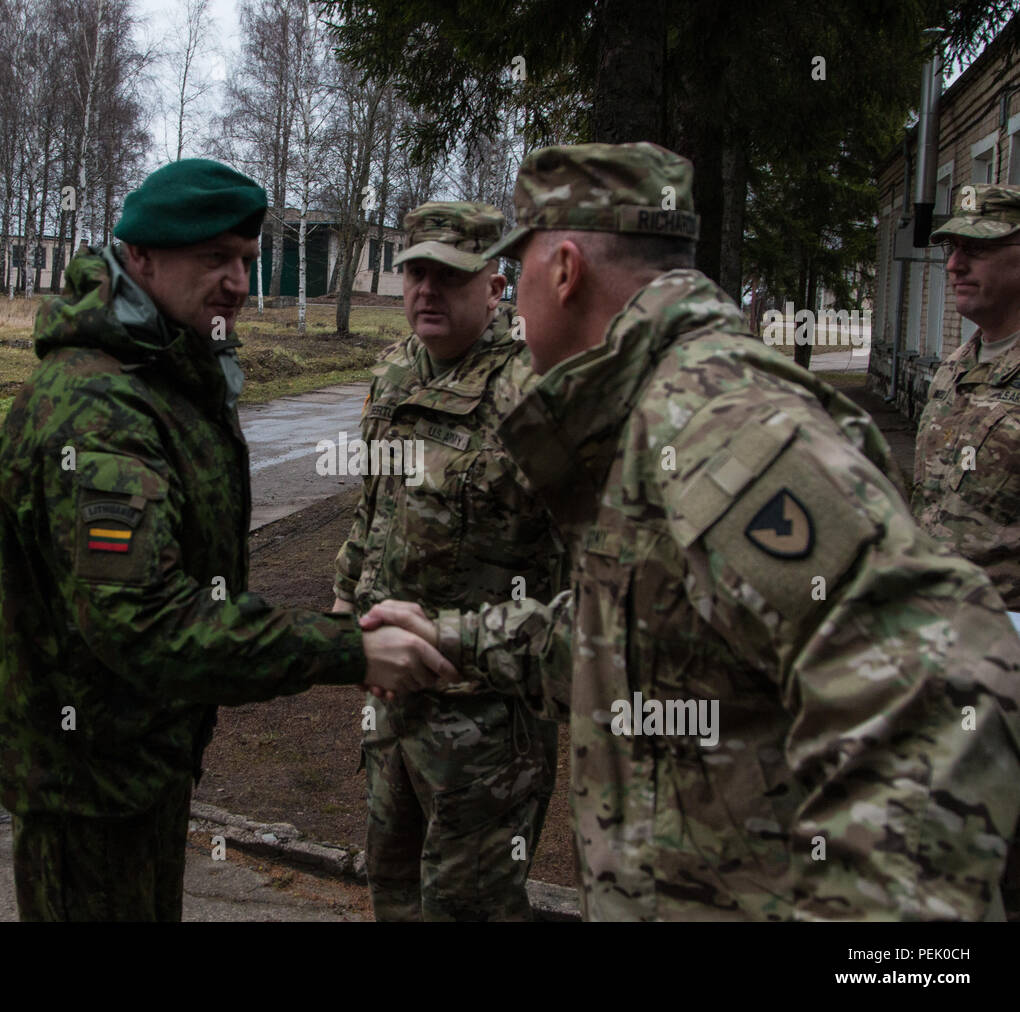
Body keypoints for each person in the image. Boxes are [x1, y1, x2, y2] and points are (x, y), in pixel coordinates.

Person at [363, 143, 1020, 921]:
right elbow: (639, 633)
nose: (517, 301)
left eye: (520, 266)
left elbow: (942, 684)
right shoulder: (652, 410)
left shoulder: (716, 420)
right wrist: (453, 638)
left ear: (564, 270)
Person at [0, 159, 453, 922]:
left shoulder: (167, 365)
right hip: (86, 783)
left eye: (246, 258)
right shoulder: (99, 408)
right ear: (141, 257)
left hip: (143, 755)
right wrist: (348, 650)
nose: (237, 280)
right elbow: (146, 626)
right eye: (213, 258)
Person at [331, 201, 565, 921]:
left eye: (450, 276)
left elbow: (586, 552)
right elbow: (375, 504)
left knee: (470, 908)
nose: (426, 291)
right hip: (391, 702)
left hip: (485, 719)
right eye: (415, 274)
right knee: (393, 888)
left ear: (494, 286)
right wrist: (345, 594)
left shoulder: (533, 389)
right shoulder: (395, 372)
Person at [913, 182, 1020, 611]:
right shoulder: (955, 368)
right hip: (938, 627)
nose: (954, 265)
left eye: (976, 248)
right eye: (952, 249)